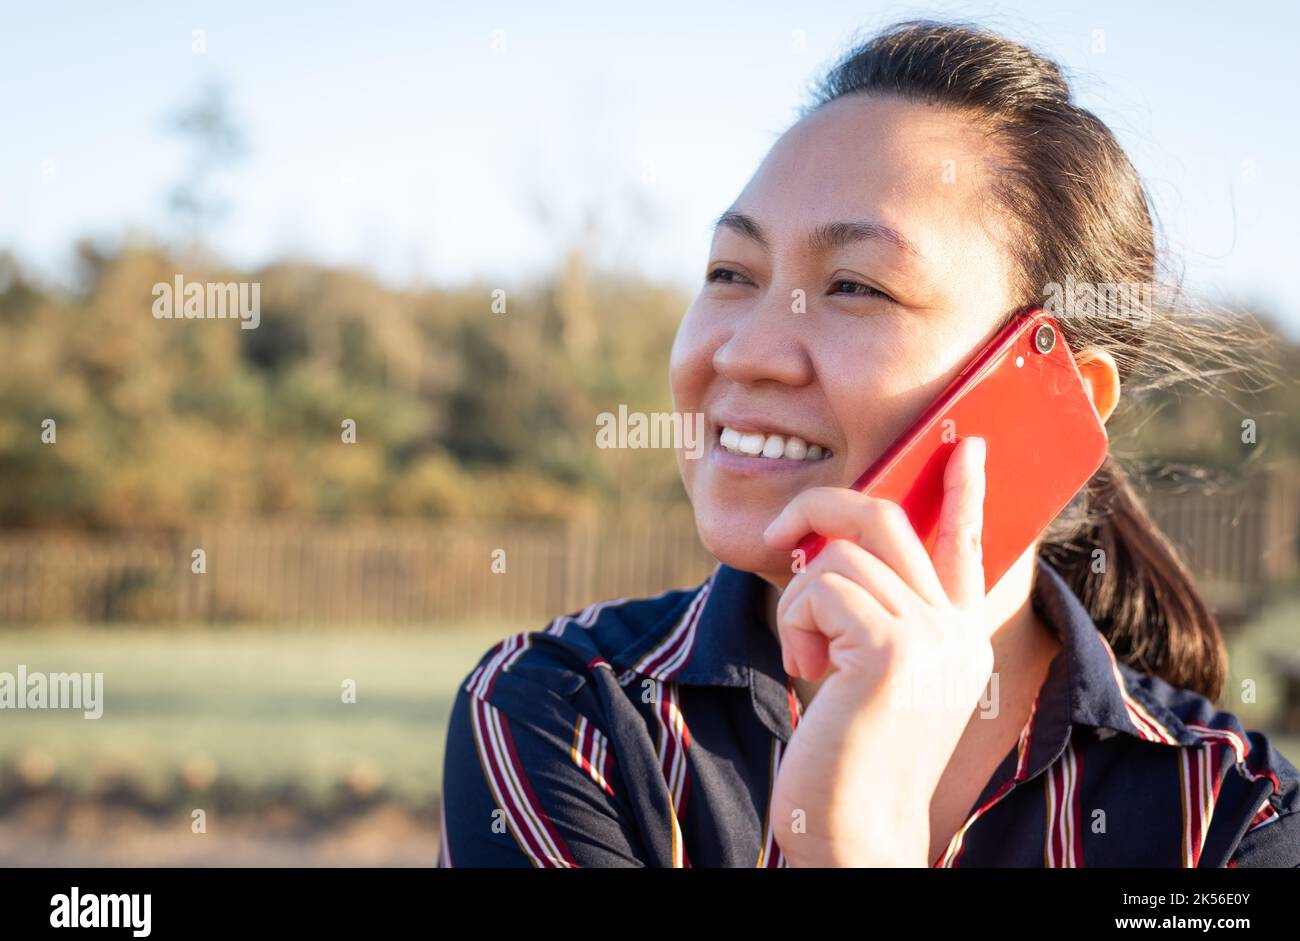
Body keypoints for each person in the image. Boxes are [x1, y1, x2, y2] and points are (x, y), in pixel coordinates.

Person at [435, 19, 1300, 867]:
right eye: (731, 273)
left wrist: (858, 845)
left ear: (1065, 397)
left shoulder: (1231, 825)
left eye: (856, 286)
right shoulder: (562, 714)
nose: (744, 351)